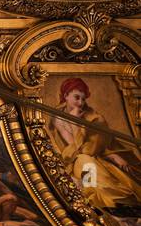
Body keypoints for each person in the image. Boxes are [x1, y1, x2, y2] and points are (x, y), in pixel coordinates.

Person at [50, 77, 141, 211]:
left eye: (83, 99)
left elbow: (95, 145)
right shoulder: (58, 118)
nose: (80, 102)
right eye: (76, 97)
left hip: (97, 157)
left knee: (92, 165)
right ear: (66, 96)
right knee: (85, 162)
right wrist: (76, 123)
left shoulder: (93, 117)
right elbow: (76, 148)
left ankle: (113, 200)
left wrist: (112, 155)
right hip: (75, 159)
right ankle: (96, 199)